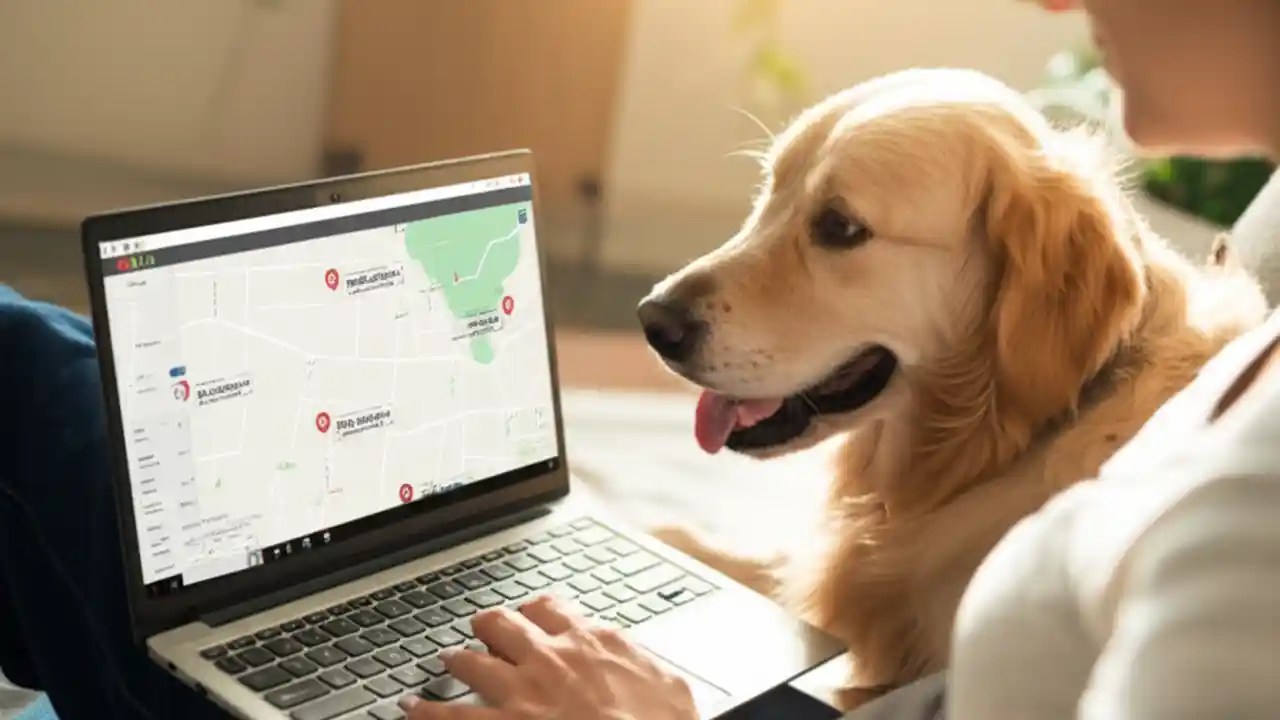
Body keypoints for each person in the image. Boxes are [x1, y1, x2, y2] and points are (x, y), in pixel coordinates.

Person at [0, 1, 1276, 719]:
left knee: (28, 381)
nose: (1052, 3)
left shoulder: (1251, 510)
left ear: (1029, 285)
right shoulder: (1248, 291)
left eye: (834, 233)